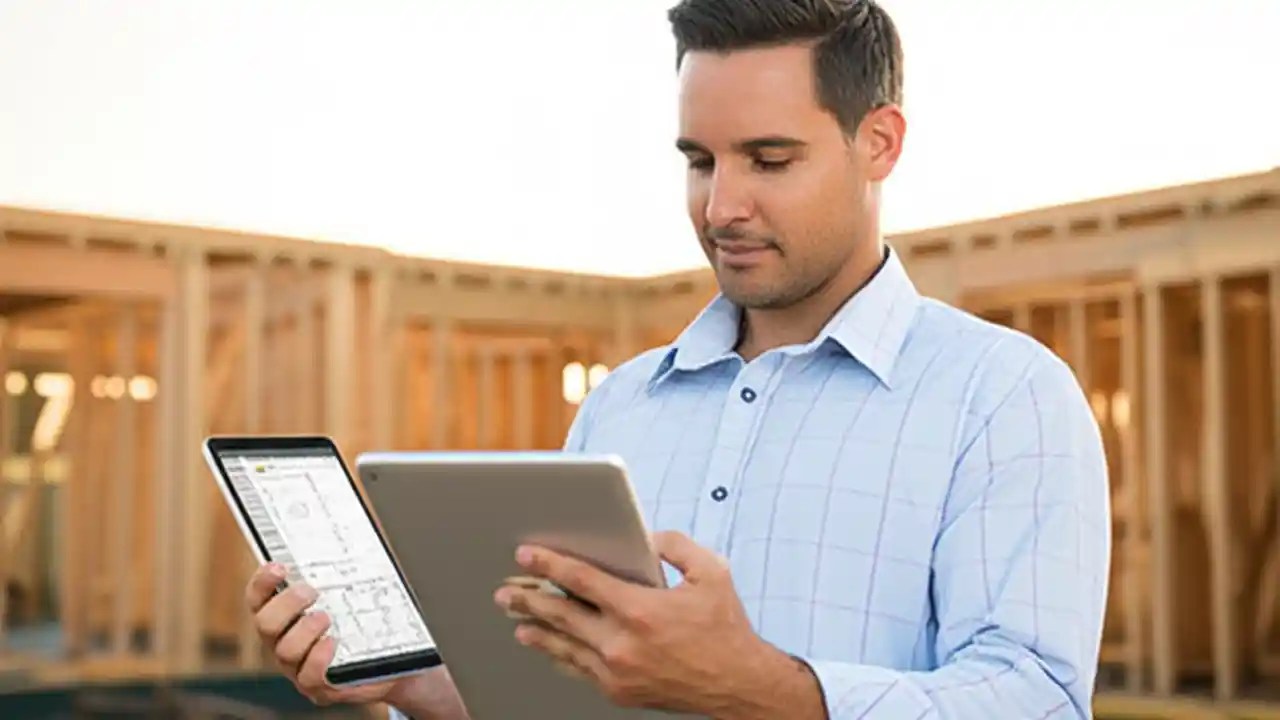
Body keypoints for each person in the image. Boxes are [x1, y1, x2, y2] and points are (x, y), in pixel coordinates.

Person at [244, 0, 1112, 718]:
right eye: (700, 161)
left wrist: (763, 690)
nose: (721, 206)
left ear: (879, 142)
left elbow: (1036, 699)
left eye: (769, 160)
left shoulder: (1003, 397)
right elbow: (558, 699)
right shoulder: (620, 408)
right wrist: (408, 683)